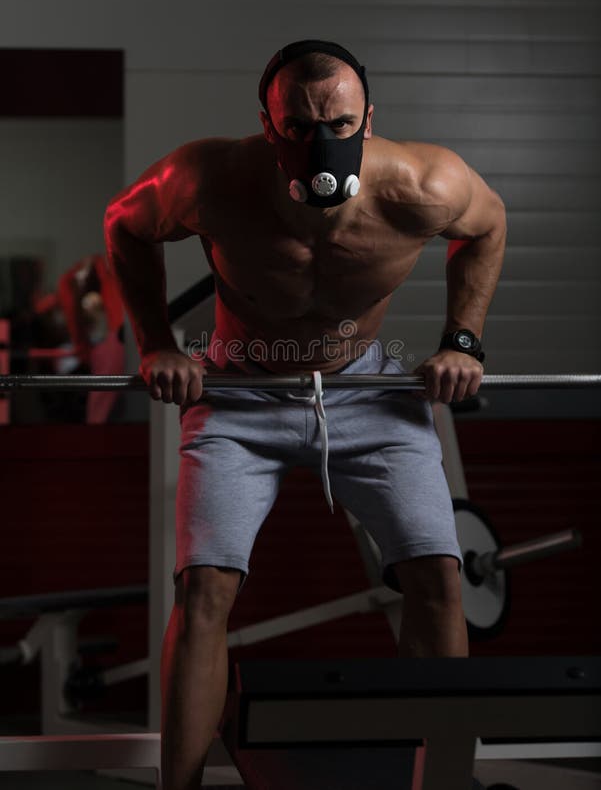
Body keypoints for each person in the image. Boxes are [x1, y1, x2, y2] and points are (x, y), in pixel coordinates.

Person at [104, 39, 506, 790]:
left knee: (439, 578)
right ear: (268, 125)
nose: (323, 143)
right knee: (204, 591)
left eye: (342, 124)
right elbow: (125, 222)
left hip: (365, 395)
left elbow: (488, 225)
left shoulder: (423, 183)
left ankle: (442, 784)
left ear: (368, 119)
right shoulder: (211, 179)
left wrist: (462, 341)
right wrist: (156, 343)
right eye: (299, 128)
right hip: (237, 396)